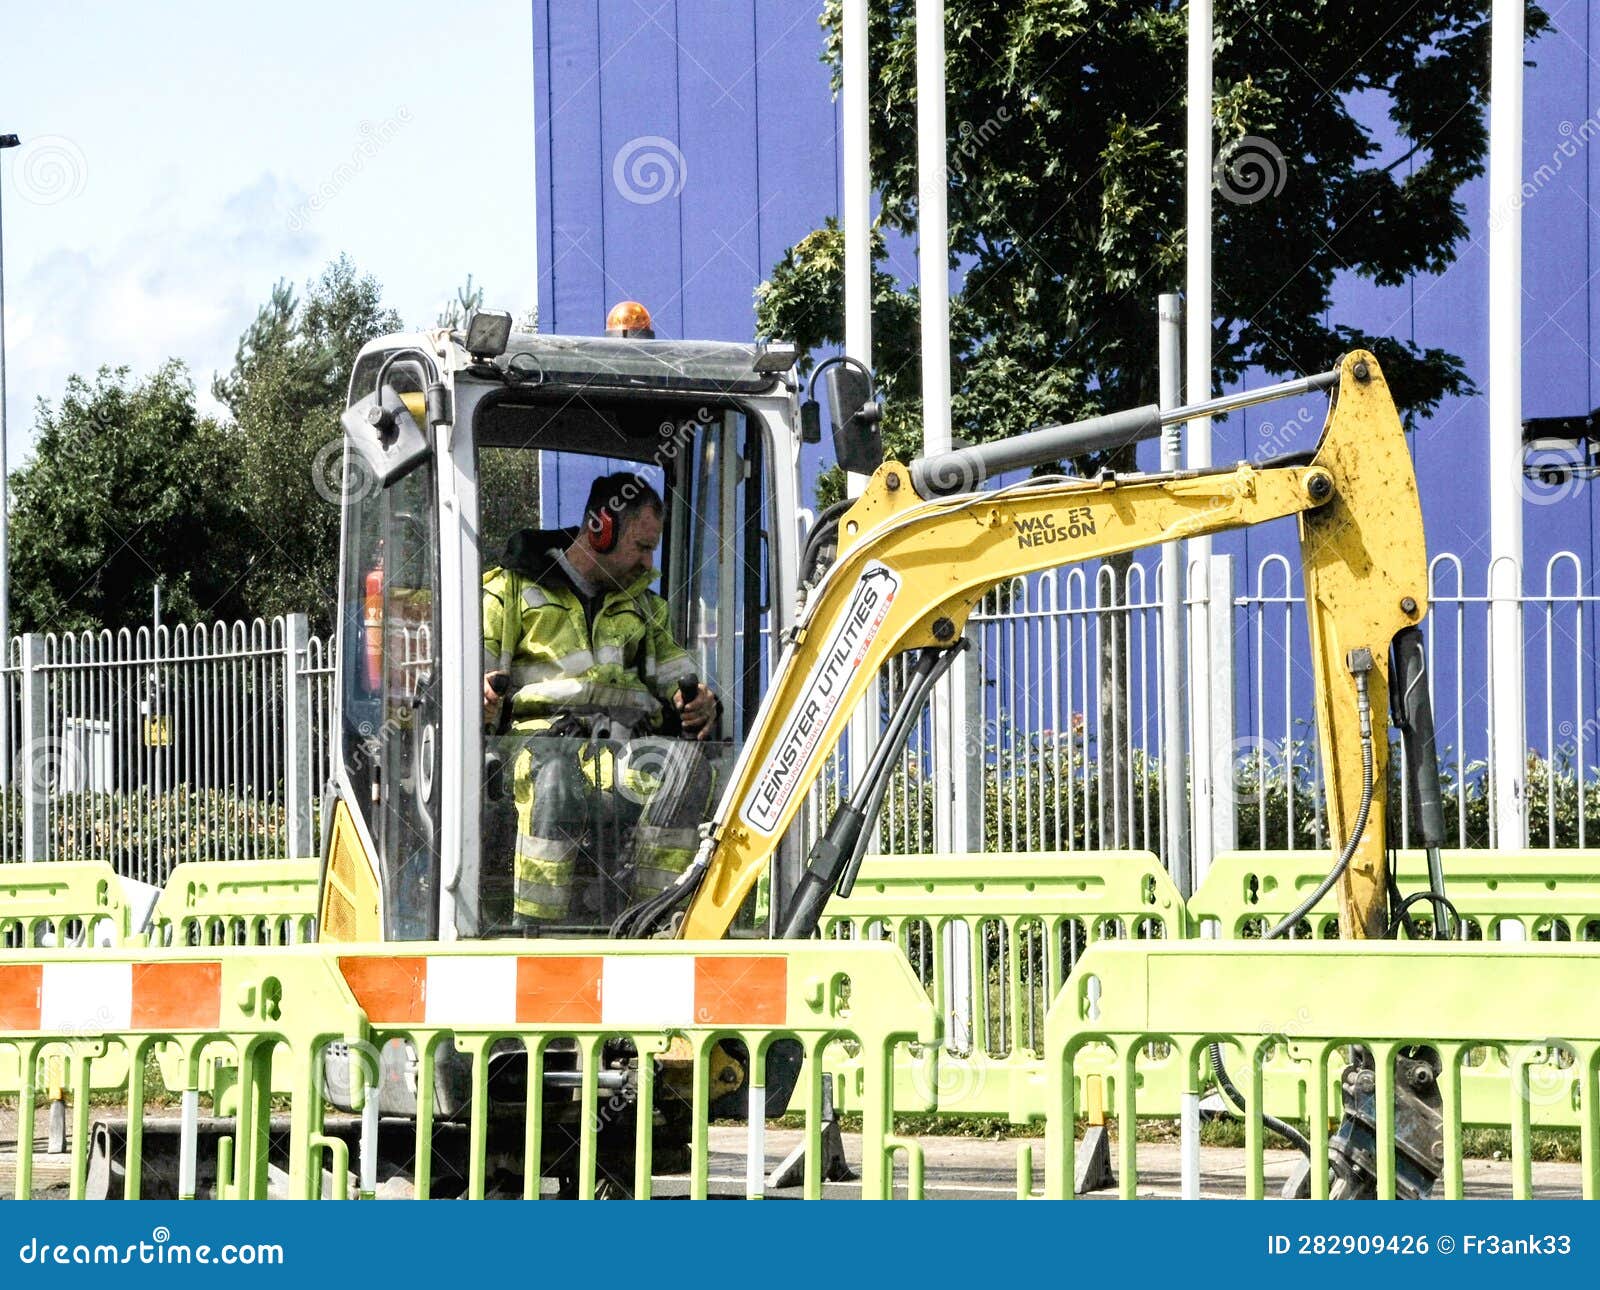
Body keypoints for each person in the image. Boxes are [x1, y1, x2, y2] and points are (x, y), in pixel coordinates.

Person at [482, 472, 718, 928]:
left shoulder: (644, 608)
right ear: (600, 530)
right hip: (535, 749)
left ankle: (656, 924)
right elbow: (474, 680)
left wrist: (702, 702)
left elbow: (678, 675)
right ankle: (540, 937)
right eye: (641, 547)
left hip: (622, 753)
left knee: (685, 770)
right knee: (554, 782)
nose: (649, 562)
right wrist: (483, 700)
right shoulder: (508, 591)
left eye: (653, 548)